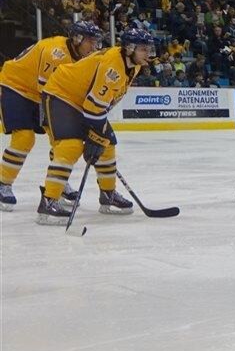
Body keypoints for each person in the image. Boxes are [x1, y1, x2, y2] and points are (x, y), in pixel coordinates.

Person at [36, 26, 155, 225]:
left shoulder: (133, 65)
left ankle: (108, 194)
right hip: (61, 95)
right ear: (129, 48)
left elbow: (104, 101)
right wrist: (96, 135)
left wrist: (99, 137)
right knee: (71, 146)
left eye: (149, 49)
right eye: (144, 49)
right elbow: (93, 107)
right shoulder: (113, 66)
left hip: (83, 100)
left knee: (107, 144)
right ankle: (49, 201)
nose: (148, 53)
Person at [0, 21, 102, 212]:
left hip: (41, 92)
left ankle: (58, 182)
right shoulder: (55, 53)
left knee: (63, 141)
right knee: (24, 138)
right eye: (90, 41)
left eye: (96, 42)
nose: (94, 46)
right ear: (77, 39)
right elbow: (48, 93)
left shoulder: (82, 57)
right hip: (16, 86)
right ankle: (3, 183)